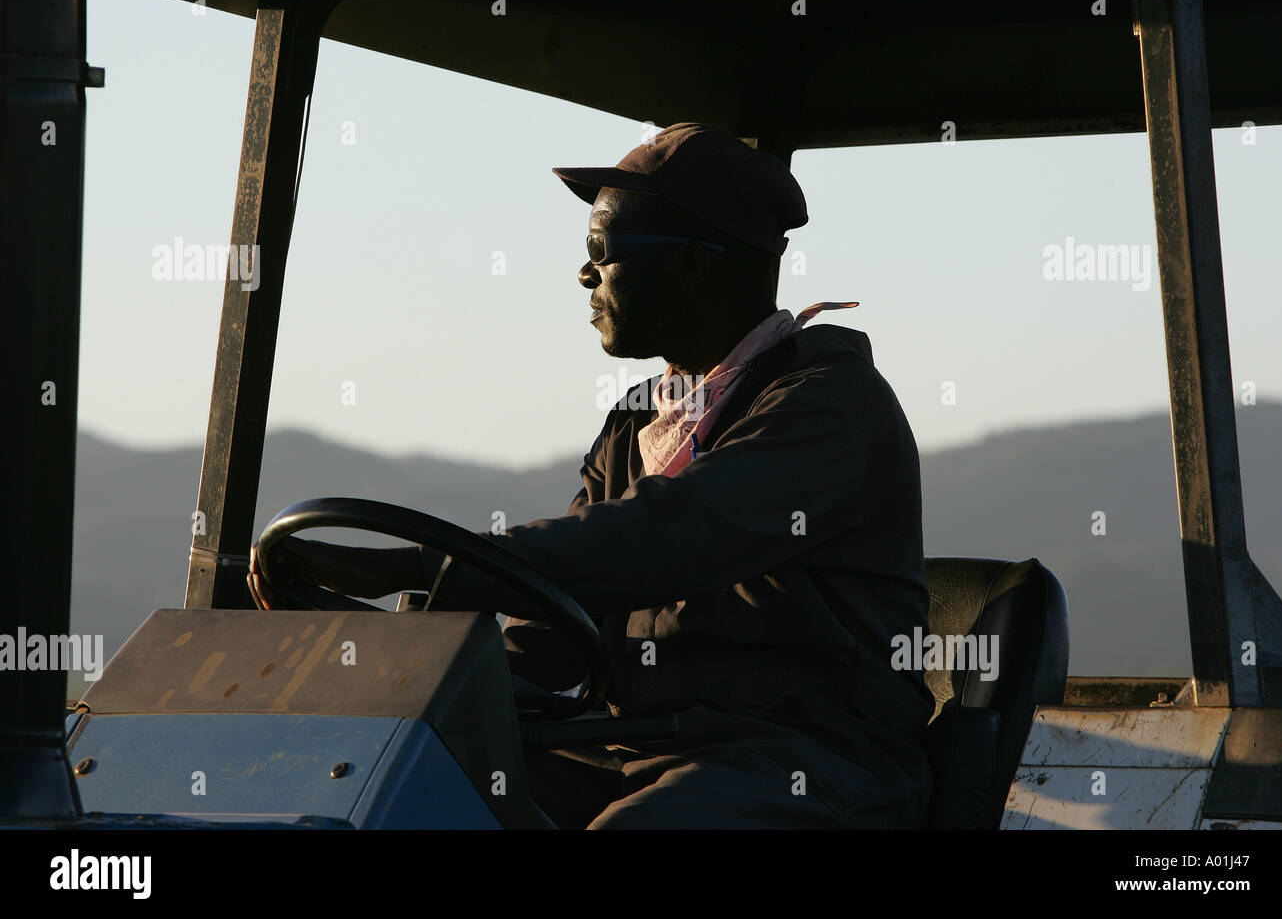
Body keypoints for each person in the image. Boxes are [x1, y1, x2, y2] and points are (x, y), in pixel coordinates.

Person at [248, 122, 935, 829]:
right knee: (398, 789)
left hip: (808, 763)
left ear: (694, 268)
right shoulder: (639, 426)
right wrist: (403, 662)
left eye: (602, 253)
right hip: (628, 751)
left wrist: (408, 565)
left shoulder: (828, 406)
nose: (585, 276)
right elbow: (555, 618)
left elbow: (663, 535)